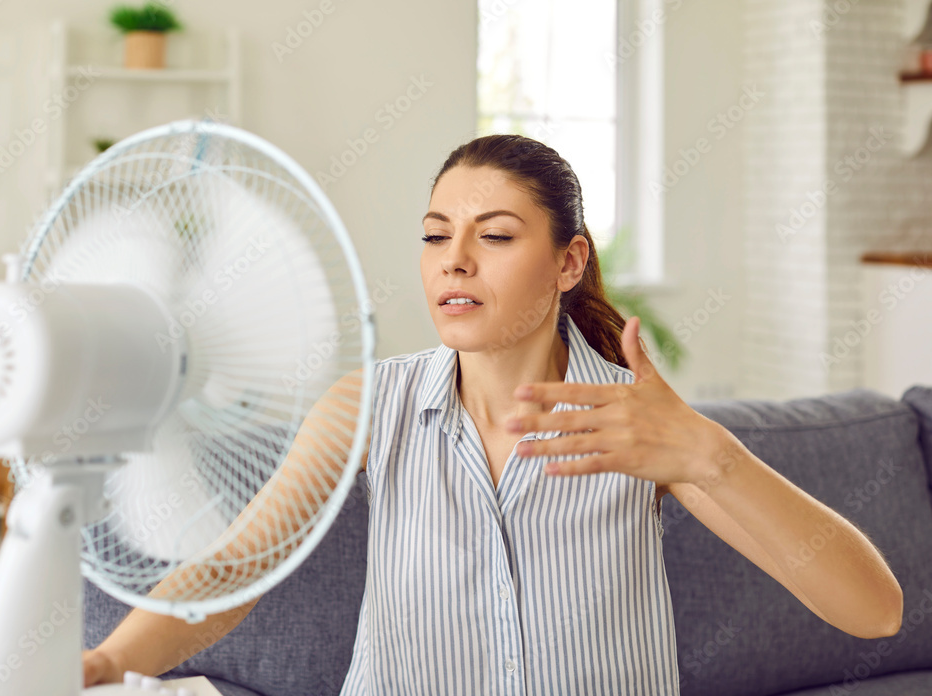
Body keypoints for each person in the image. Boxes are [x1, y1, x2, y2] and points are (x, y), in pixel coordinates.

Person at [83, 134, 903, 694]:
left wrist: (709, 454)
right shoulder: (372, 408)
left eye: (496, 236)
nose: (456, 261)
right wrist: (109, 660)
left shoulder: (638, 424)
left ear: (568, 262)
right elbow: (233, 571)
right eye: (437, 236)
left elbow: (875, 611)